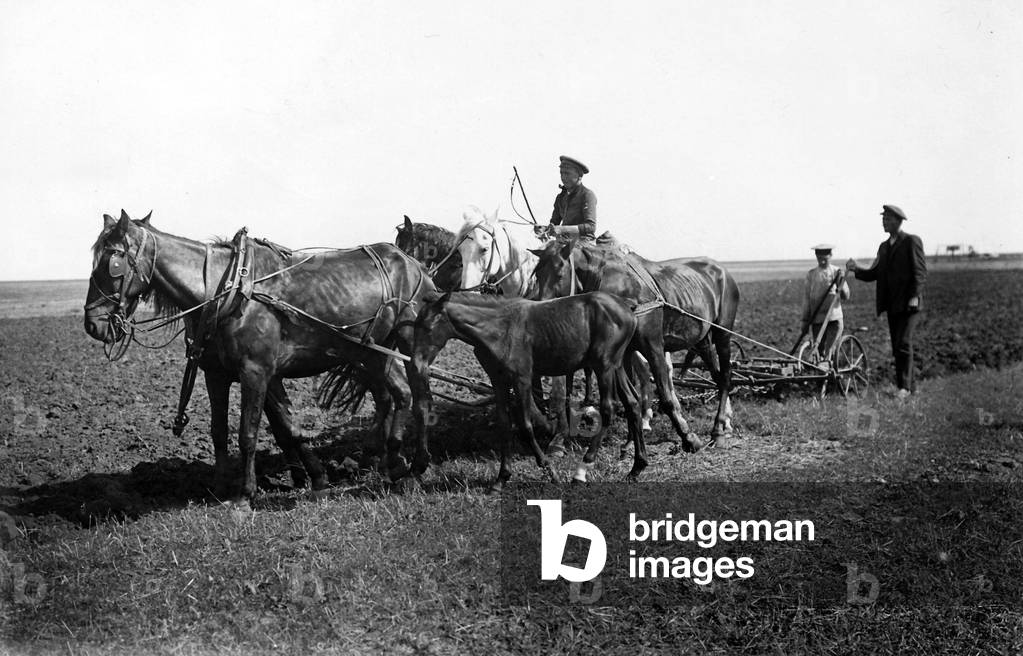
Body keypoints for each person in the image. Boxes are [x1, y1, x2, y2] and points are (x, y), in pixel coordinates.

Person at [846, 204, 927, 399]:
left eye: (888, 219)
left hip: (909, 304)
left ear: (898, 221)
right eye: (883, 219)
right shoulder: (884, 246)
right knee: (898, 346)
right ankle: (906, 386)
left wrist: (915, 296)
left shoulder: (911, 241)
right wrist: (856, 269)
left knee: (904, 343)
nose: (884, 222)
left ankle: (905, 388)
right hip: (892, 305)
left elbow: (920, 271)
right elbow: (875, 273)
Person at [800, 244, 850, 360]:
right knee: (818, 352)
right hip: (817, 320)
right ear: (816, 256)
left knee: (829, 353)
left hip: (833, 319)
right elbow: (807, 299)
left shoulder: (836, 272)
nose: (822, 259)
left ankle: (831, 371)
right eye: (819, 256)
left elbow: (846, 295)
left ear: (830, 255)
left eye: (825, 256)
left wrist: (841, 284)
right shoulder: (811, 274)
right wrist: (804, 320)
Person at [534, 156, 597, 241]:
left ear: (579, 176)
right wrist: (544, 229)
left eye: (567, 173)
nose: (563, 177)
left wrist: (562, 229)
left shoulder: (587, 195)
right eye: (561, 173)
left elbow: (591, 227)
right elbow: (554, 224)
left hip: (583, 243)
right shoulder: (561, 197)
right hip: (563, 242)